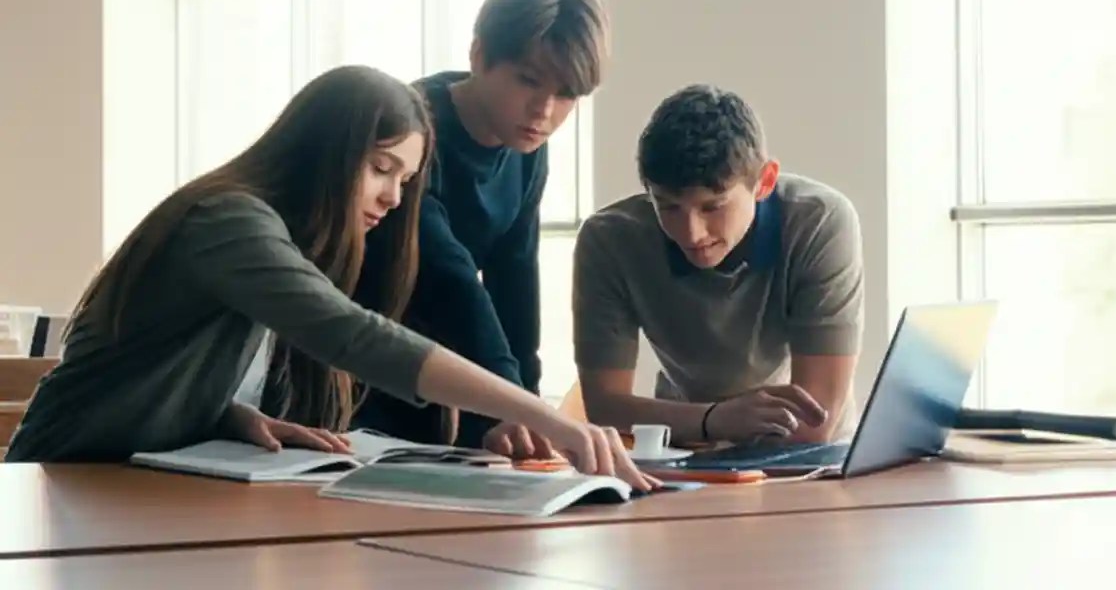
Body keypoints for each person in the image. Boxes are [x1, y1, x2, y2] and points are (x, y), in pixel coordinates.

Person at [4, 65, 654, 490]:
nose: (394, 198)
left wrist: (221, 413)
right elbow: (353, 335)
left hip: (128, 487)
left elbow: (150, 361)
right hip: (55, 485)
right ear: (325, 150)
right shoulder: (227, 222)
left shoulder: (274, 233)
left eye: (405, 178)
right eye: (380, 168)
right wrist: (552, 418)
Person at [355, 0, 606, 457]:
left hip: (437, 371)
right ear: (478, 57)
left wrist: (527, 406)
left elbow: (514, 280)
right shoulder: (412, 126)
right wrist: (513, 408)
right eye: (529, 80)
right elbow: (449, 278)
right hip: (356, 354)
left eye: (567, 93)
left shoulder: (527, 148)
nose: (545, 111)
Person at [573, 84, 864, 447]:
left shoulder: (820, 221)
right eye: (668, 206)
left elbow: (814, 420)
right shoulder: (608, 240)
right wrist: (715, 420)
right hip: (687, 448)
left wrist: (717, 422)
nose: (692, 233)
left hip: (808, 455)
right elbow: (605, 408)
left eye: (713, 206)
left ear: (765, 182)